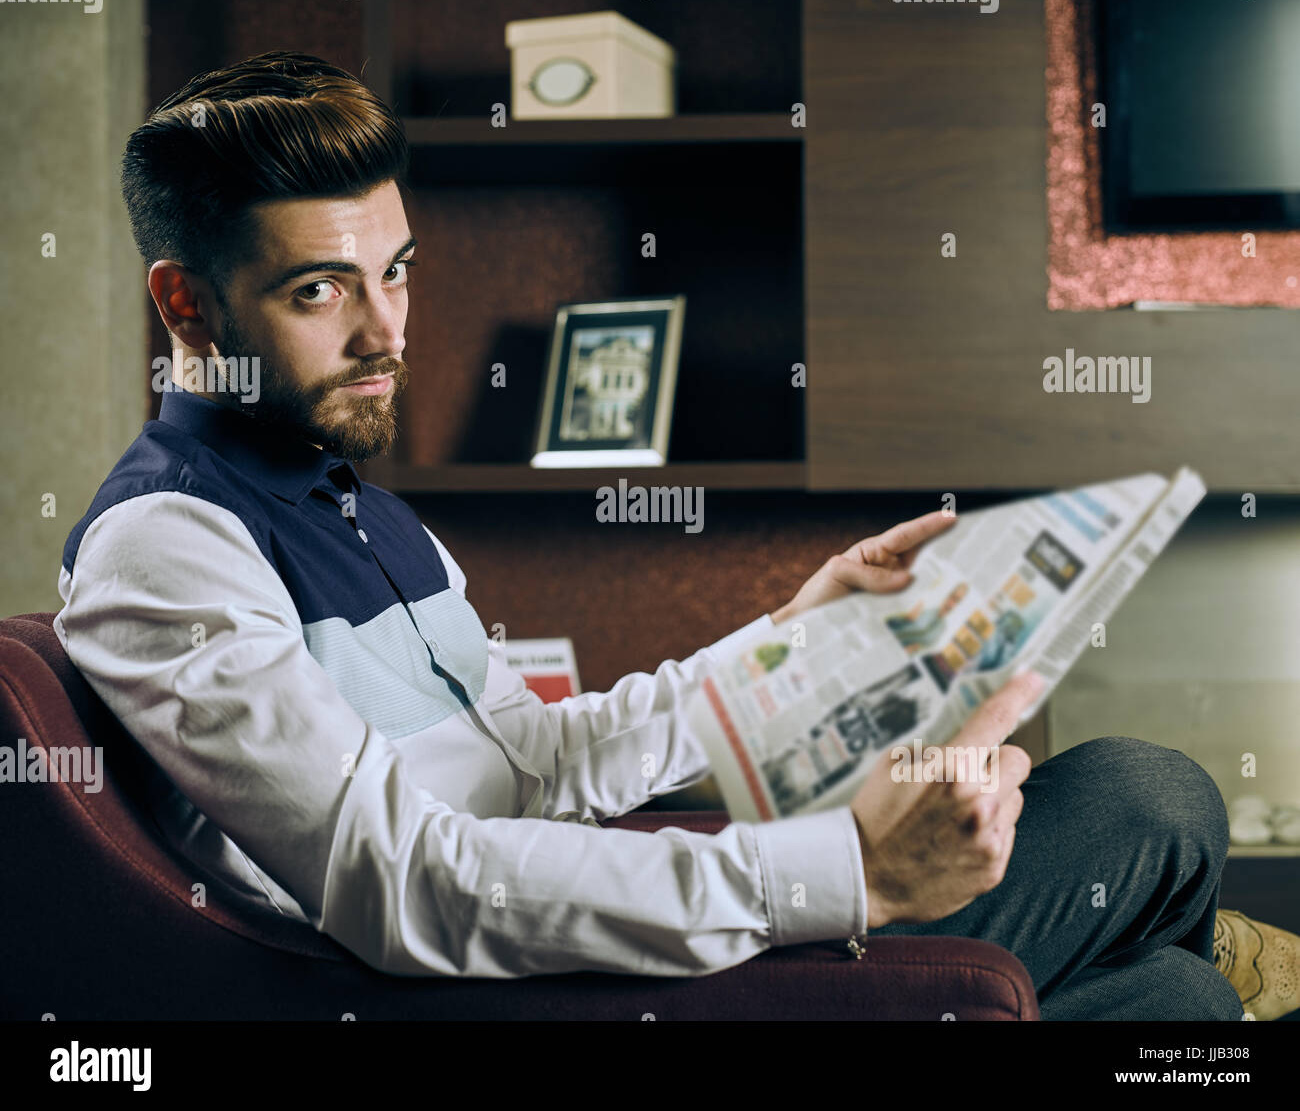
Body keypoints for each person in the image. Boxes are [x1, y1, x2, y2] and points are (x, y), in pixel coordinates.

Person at [54, 50, 1297, 1019]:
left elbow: (526, 764)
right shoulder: (170, 546)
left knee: (1173, 1001)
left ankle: (1179, 962)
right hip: (525, 999)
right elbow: (404, 884)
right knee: (1150, 796)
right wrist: (841, 877)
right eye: (320, 288)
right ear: (186, 300)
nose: (388, 331)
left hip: (585, 940)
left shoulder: (355, 505)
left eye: (401, 271)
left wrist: (794, 641)